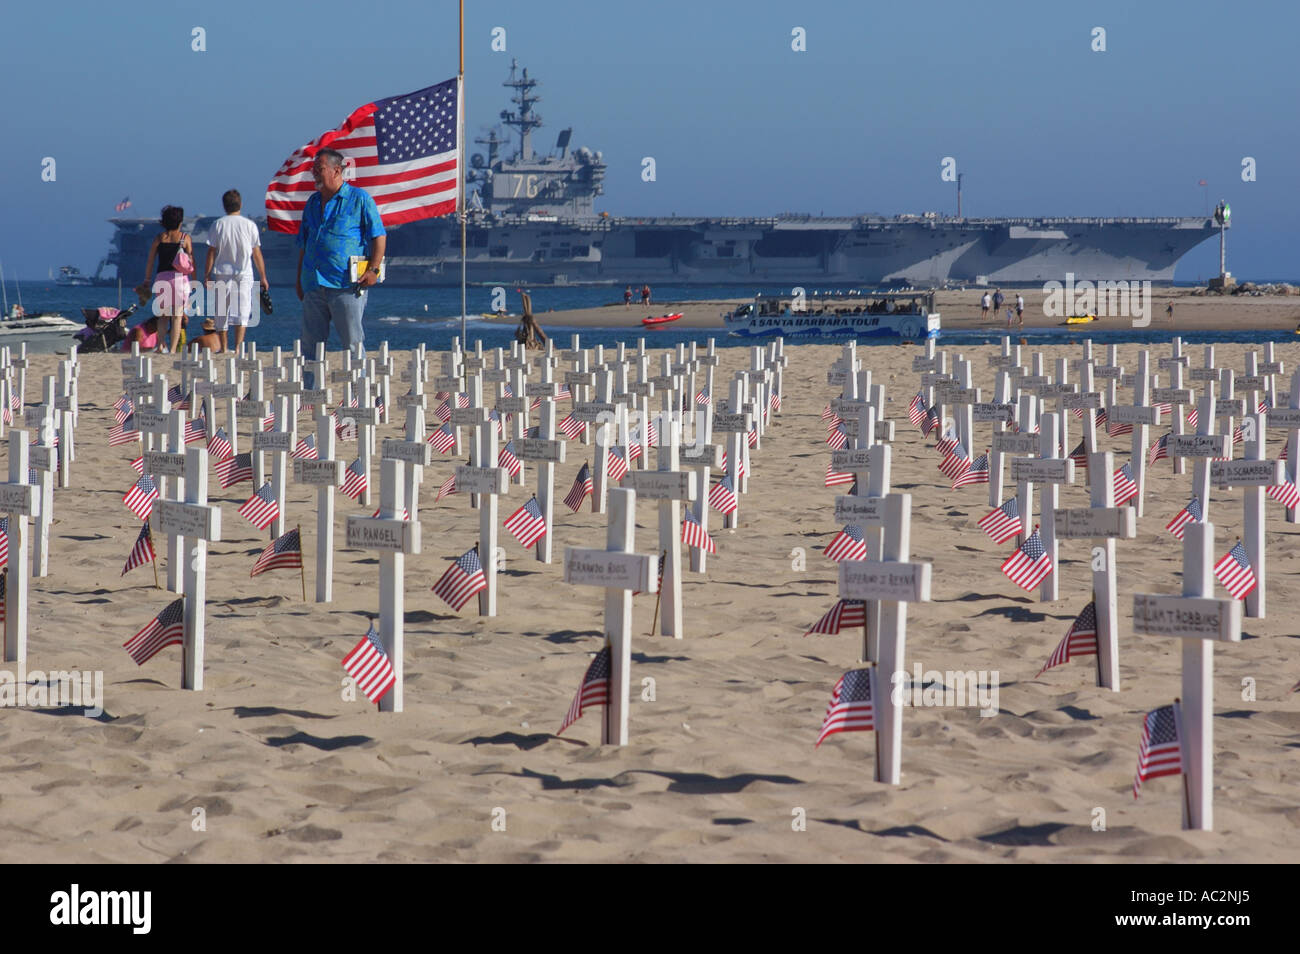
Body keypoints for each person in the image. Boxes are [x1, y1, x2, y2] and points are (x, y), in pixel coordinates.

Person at [295, 148, 386, 387]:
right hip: (314, 283)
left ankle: (361, 393)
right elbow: (305, 243)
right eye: (314, 168)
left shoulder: (359, 199)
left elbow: (379, 236)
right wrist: (299, 279)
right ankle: (310, 394)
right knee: (310, 344)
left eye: (320, 168)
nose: (314, 172)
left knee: (353, 342)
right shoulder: (312, 203)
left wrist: (374, 270)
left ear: (337, 170)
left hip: (347, 285)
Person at [204, 188, 268, 354]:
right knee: (243, 311)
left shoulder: (217, 224)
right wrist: (263, 276)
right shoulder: (250, 225)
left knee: (221, 313)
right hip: (244, 273)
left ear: (224, 205)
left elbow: (211, 252)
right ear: (240, 204)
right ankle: (239, 347)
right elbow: (257, 253)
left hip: (222, 272)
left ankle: (224, 348)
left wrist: (206, 275)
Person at [136, 205, 192, 353]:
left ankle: (160, 345)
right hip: (180, 280)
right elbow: (190, 261)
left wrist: (147, 280)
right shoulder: (185, 238)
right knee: (177, 317)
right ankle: (173, 349)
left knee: (162, 317)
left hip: (162, 279)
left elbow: (150, 261)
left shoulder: (159, 238)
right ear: (180, 222)